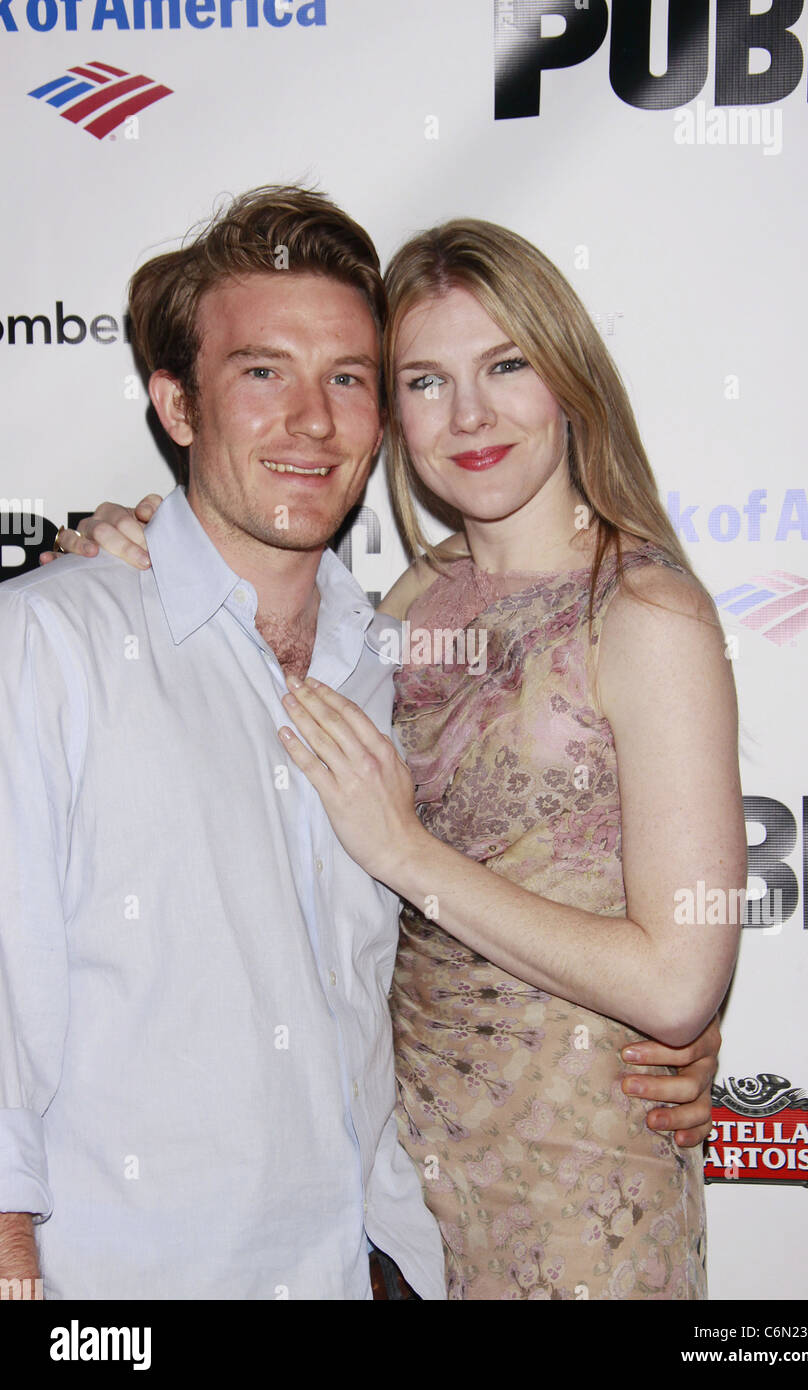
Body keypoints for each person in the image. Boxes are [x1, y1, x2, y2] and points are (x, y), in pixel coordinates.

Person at [46, 206, 733, 1300]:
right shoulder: (396, 613)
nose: (469, 413)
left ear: (567, 375)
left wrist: (407, 852)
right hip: (403, 1194)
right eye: (421, 379)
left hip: (574, 1178)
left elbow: (675, 977)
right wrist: (119, 543)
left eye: (506, 364)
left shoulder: (646, 614)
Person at [0, 186, 450, 1300]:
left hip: (370, 1260)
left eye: (346, 378)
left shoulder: (386, 660)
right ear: (177, 405)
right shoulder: (55, 638)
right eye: (262, 373)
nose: (312, 420)